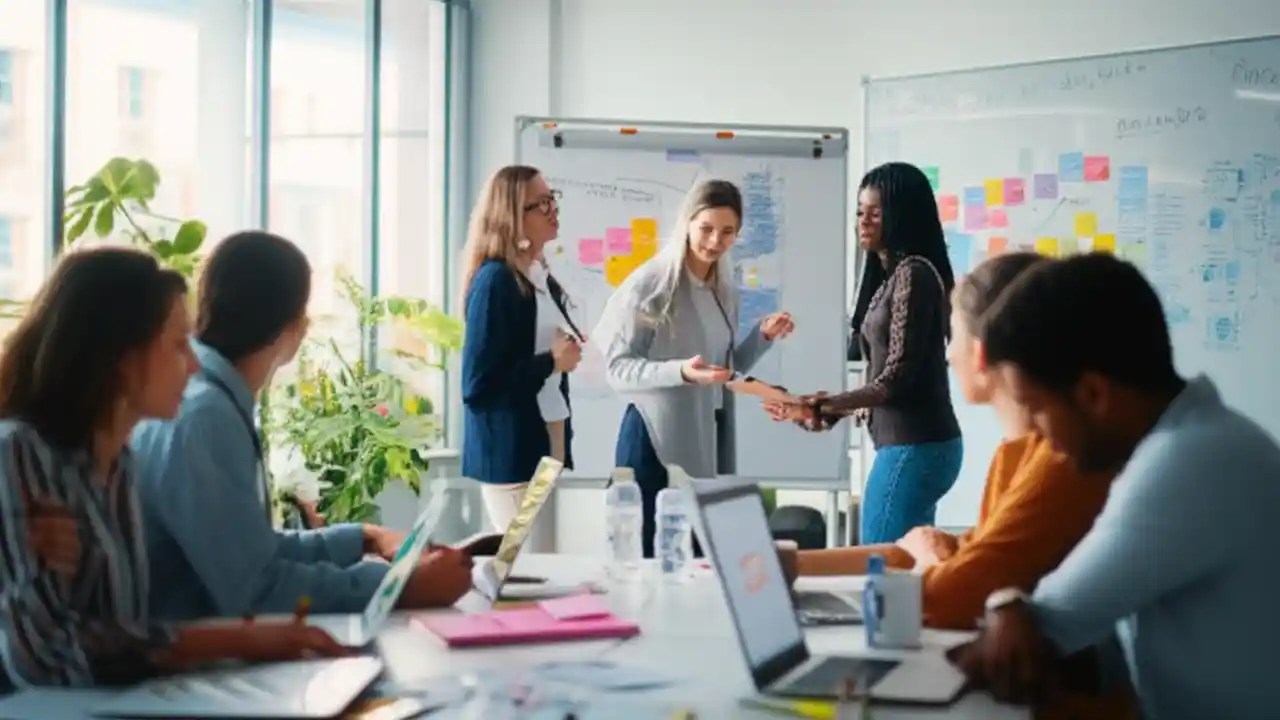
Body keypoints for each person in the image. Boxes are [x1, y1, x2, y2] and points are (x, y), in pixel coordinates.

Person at [788, 252, 1135, 719]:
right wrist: (793, 564)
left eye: (954, 332)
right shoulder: (1018, 453)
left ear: (981, 351)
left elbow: (952, 591)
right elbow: (949, 556)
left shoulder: (1066, 457)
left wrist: (938, 556)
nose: (947, 352)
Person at [949, 253, 1280, 719]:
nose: (1037, 436)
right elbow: (1104, 648)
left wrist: (1009, 608)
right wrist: (1010, 609)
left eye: (1037, 407)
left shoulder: (1188, 462)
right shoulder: (1195, 440)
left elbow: (1047, 623)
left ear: (1093, 395)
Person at [0, 248, 345, 690]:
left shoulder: (118, 464)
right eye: (178, 343)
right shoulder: (20, 457)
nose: (196, 363)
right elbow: (43, 657)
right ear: (124, 359)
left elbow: (123, 634)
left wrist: (230, 643)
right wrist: (231, 640)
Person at [132, 231, 472, 621]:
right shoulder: (205, 416)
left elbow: (252, 552)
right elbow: (258, 591)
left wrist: (363, 539)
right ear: (295, 325)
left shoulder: (208, 400)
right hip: (190, 664)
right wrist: (400, 587)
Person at [593, 179, 796, 557]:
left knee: (698, 565)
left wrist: (762, 337)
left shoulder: (724, 290)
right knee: (646, 563)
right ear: (687, 222)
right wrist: (680, 372)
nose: (715, 241)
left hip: (700, 439)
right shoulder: (651, 285)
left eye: (727, 232)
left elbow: (722, 370)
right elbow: (619, 369)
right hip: (652, 438)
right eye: (706, 229)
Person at [766, 162, 961, 544]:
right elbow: (887, 383)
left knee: (880, 568)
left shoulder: (914, 274)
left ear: (902, 215)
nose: (864, 222)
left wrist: (824, 406)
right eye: (860, 211)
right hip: (915, 446)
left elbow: (898, 379)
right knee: (908, 571)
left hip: (914, 447)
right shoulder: (894, 278)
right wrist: (825, 410)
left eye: (876, 212)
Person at [460, 165, 582, 552]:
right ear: (511, 216)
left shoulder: (536, 275)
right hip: (513, 455)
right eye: (540, 203)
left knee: (539, 565)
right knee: (526, 568)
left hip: (545, 442)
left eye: (552, 198)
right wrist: (551, 361)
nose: (552, 209)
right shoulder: (496, 281)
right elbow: (478, 388)